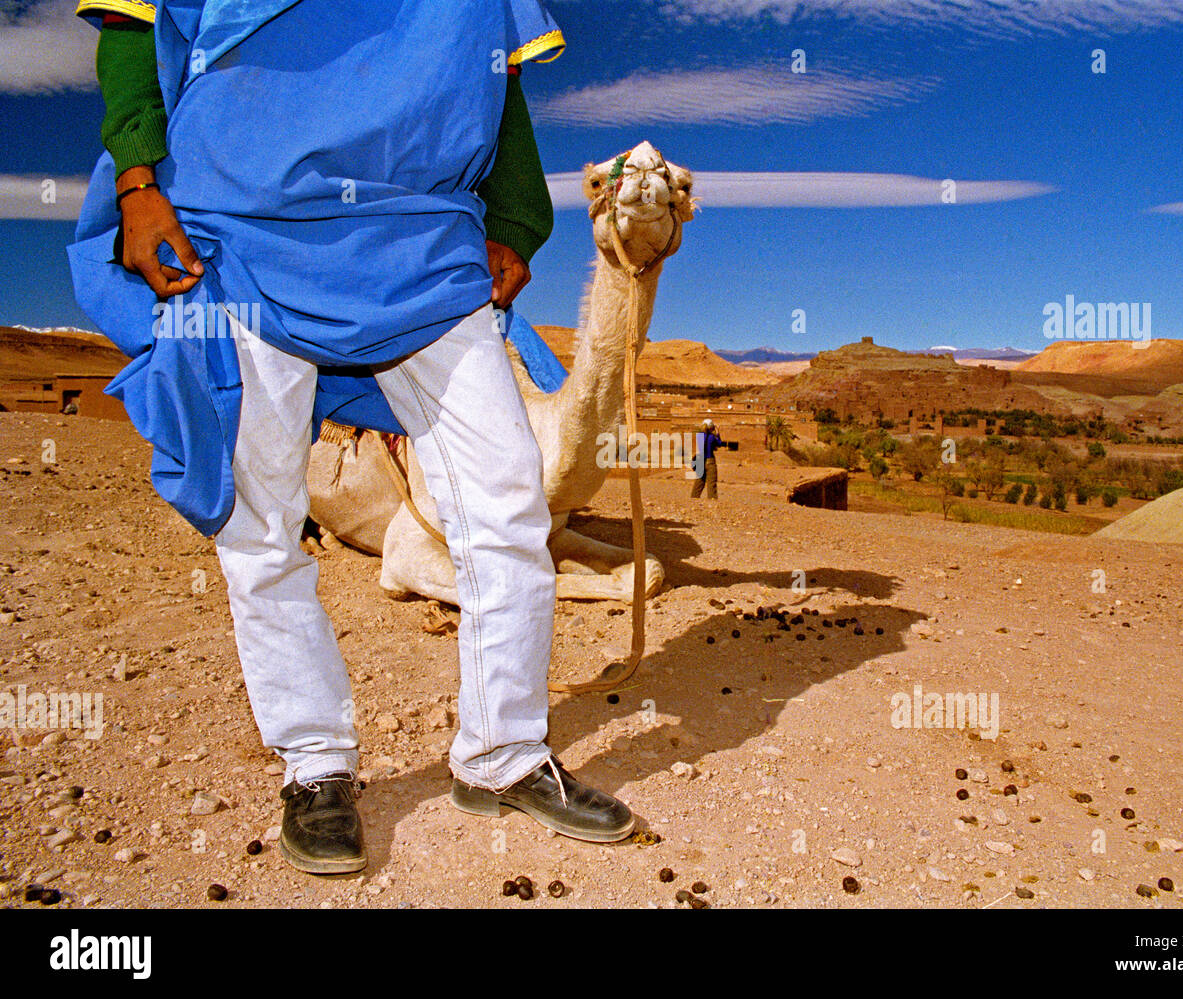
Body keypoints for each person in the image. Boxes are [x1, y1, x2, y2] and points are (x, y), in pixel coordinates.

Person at [69, 0, 635, 876]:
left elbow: (497, 68)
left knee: (509, 500)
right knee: (261, 520)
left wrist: (516, 221)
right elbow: (135, 23)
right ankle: (315, 763)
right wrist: (139, 182)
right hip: (247, 229)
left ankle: (504, 754)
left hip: (423, 244)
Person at [690, 418, 723, 500]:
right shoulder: (712, 437)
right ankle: (712, 499)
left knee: (699, 482)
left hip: (701, 461)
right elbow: (719, 443)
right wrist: (718, 432)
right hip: (710, 461)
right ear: (712, 427)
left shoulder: (699, 436)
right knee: (711, 482)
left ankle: (694, 498)